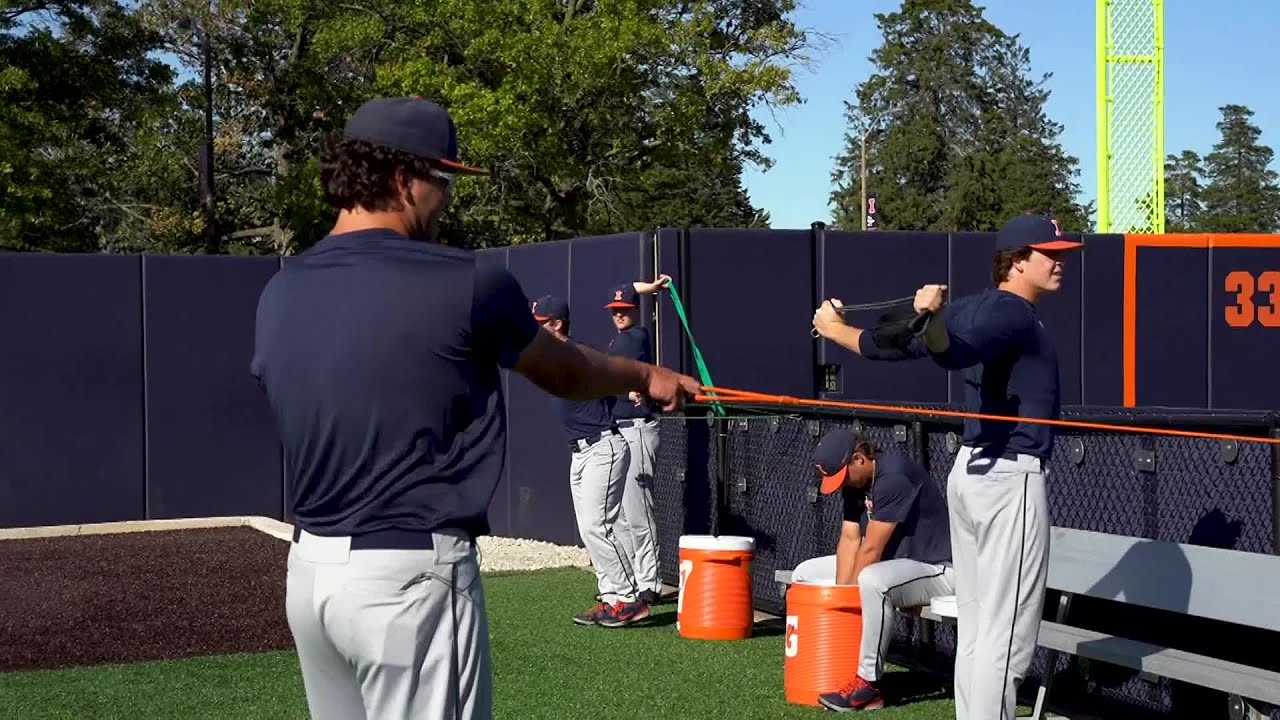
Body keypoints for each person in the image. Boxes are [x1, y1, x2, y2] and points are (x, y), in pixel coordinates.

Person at [249, 96, 701, 720]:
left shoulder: (281, 289)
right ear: (405, 179)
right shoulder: (464, 281)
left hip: (310, 574)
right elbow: (567, 372)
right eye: (443, 180)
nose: (447, 199)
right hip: (408, 577)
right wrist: (649, 374)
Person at [810, 214, 1081, 720]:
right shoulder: (1013, 312)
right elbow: (952, 354)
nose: (1060, 260)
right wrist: (928, 324)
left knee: (980, 630)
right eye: (1050, 253)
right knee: (1005, 635)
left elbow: (897, 346)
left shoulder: (980, 307)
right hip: (1008, 478)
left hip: (975, 474)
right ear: (1017, 261)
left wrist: (835, 329)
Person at [806, 428, 954, 713]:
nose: (841, 484)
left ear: (859, 459)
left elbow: (871, 551)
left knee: (872, 580)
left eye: (842, 476)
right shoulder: (856, 483)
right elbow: (850, 540)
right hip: (905, 565)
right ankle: (839, 665)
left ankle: (868, 686)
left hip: (940, 568)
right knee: (806, 573)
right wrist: (842, 599)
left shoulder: (892, 477)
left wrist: (850, 600)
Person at [532, 293, 651, 627]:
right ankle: (611, 597)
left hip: (604, 446)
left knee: (599, 525)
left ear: (556, 324)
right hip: (580, 451)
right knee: (590, 529)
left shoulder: (574, 352)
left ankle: (630, 600)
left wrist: (629, 387)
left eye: (541, 324)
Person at [603, 275, 671, 606]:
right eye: (615, 309)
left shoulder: (635, 336)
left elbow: (615, 377)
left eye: (625, 309)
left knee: (637, 510)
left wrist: (645, 292)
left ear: (635, 310)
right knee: (622, 514)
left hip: (637, 427)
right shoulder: (619, 338)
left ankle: (649, 583)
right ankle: (634, 580)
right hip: (622, 427)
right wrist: (652, 287)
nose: (619, 314)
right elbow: (627, 285)